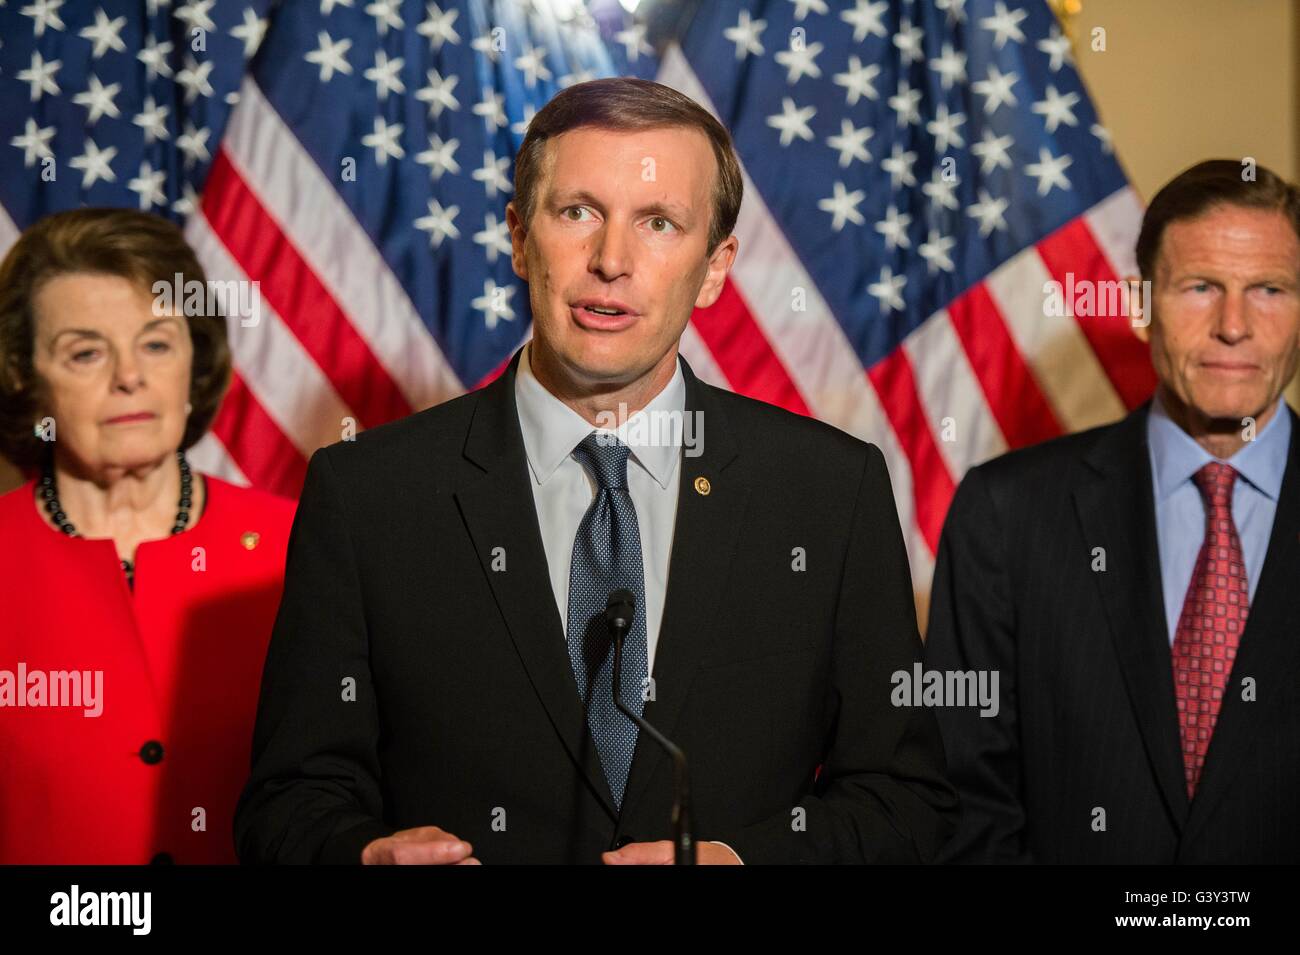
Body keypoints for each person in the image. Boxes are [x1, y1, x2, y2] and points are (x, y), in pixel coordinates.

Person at [234, 77, 956, 865]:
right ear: (518, 237)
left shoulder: (828, 491)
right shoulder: (367, 493)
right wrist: (361, 855)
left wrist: (749, 862)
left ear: (714, 268)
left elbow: (907, 803)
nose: (611, 260)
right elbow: (288, 803)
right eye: (577, 212)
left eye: (658, 223)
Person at [926, 159, 1300, 863]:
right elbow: (963, 803)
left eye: (1270, 290)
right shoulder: (1006, 515)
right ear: (1140, 304)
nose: (1233, 326)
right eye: (1200, 288)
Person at [0, 208, 296, 864]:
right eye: (86, 351)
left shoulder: (298, 546)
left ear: (195, 357)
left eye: (156, 342)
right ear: (25, 376)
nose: (129, 375)